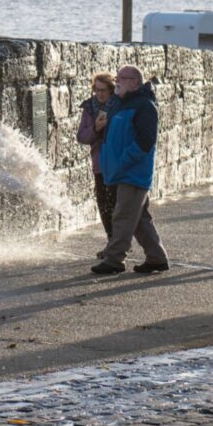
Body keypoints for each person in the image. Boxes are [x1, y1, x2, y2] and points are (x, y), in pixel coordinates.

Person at [90, 66, 169, 275]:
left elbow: (145, 141)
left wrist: (122, 161)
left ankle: (114, 259)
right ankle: (157, 258)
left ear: (135, 82)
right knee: (139, 220)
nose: (117, 81)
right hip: (120, 171)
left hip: (133, 173)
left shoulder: (144, 106)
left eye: (123, 78)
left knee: (123, 216)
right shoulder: (119, 104)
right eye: (118, 77)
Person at [76, 72, 120, 235]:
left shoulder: (118, 106)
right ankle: (112, 242)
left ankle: (118, 244)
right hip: (100, 164)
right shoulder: (89, 108)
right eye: (97, 90)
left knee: (116, 205)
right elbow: (81, 136)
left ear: (111, 90)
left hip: (117, 163)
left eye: (104, 90)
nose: (100, 94)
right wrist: (96, 128)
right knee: (104, 206)